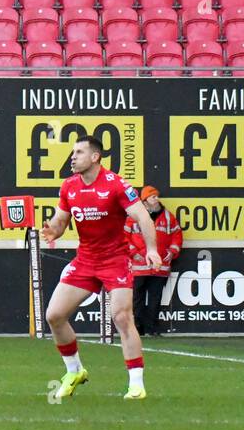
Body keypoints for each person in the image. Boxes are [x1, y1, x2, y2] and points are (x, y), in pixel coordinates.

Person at [42, 136, 160, 401]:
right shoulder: (69, 186)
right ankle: (75, 371)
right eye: (73, 152)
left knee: (121, 317)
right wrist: (53, 231)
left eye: (79, 152)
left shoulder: (116, 185)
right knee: (54, 315)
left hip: (115, 260)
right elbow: (61, 221)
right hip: (85, 260)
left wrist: (151, 250)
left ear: (95, 157)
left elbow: (142, 216)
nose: (73, 157)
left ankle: (136, 385)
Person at [127, 186, 182, 337]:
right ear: (144, 201)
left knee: (155, 298)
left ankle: (152, 328)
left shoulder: (168, 217)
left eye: (157, 196)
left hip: (160, 266)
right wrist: (132, 253)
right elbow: (124, 236)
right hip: (138, 266)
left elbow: (177, 235)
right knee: (136, 298)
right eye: (153, 197)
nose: (156, 199)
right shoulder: (134, 216)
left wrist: (173, 252)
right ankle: (137, 328)